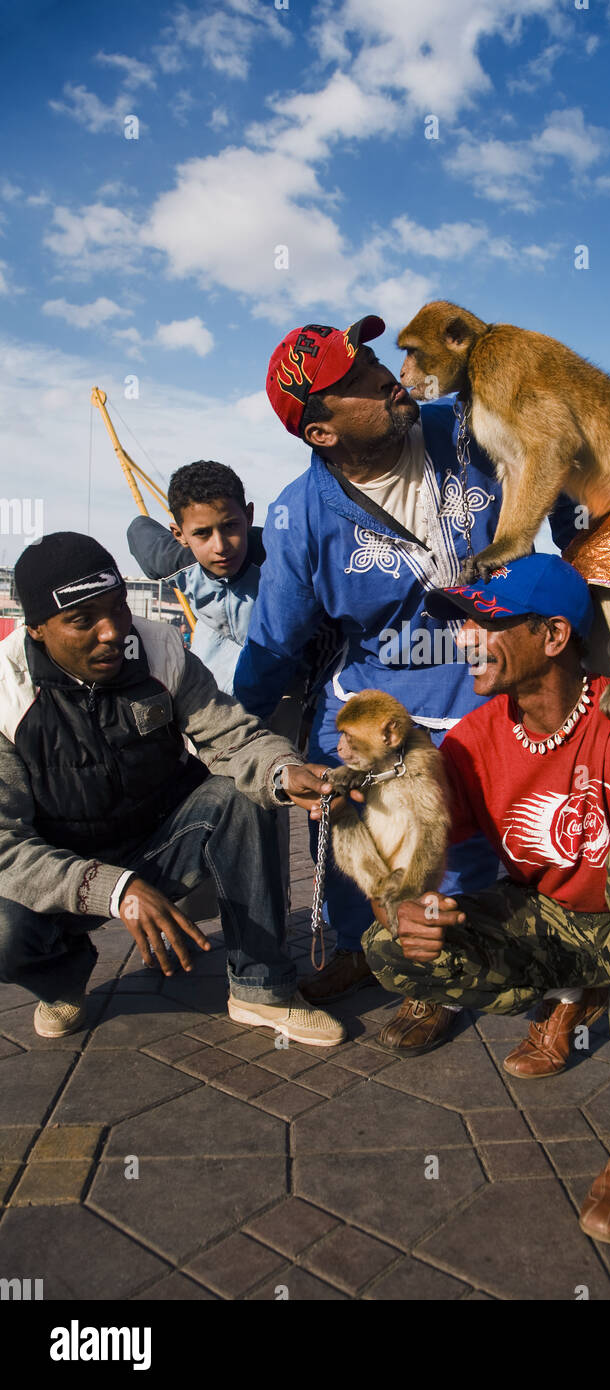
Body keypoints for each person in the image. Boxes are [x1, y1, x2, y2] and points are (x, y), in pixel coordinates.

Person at [362, 555, 610, 1243]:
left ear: (554, 637)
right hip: (562, 920)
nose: (465, 639)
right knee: (390, 945)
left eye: (488, 623)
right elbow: (403, 853)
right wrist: (403, 905)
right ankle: (573, 988)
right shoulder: (475, 740)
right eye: (464, 624)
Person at [233, 316, 503, 1010]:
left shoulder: (470, 430)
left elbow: (567, 471)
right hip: (367, 703)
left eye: (374, 360)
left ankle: (436, 981)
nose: (385, 376)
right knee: (352, 835)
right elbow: (274, 644)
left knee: (455, 852)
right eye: (354, 381)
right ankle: (357, 949)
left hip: (475, 695)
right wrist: (232, 737)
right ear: (321, 431)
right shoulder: (301, 518)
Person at [0, 532, 349, 1045]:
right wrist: (113, 890)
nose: (111, 632)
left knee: (239, 793)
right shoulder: (7, 695)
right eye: (82, 621)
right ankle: (61, 980)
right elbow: (5, 847)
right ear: (36, 630)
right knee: (5, 932)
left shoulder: (161, 648)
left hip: (161, 842)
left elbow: (231, 736)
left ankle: (261, 988)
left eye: (118, 607)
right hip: (65, 866)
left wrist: (283, 770)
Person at [127, 461, 263, 696]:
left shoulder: (279, 559)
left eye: (230, 526)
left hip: (278, 690)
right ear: (179, 535)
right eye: (202, 533)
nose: (220, 547)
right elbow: (138, 528)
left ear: (249, 516)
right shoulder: (175, 562)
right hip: (210, 688)